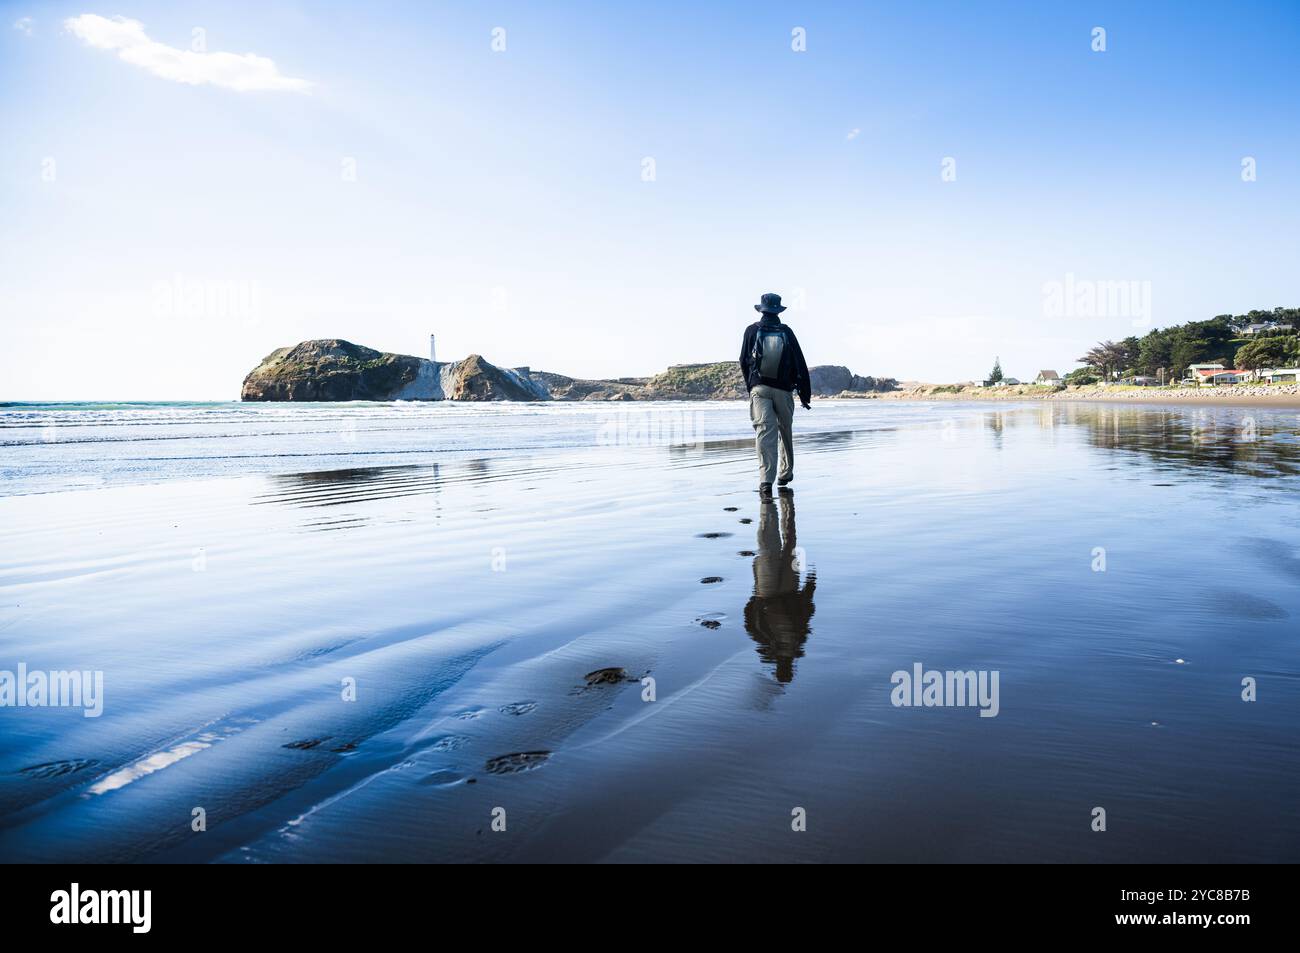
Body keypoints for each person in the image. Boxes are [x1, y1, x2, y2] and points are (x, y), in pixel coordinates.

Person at [738, 293, 812, 496]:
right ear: (779, 311)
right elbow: (800, 362)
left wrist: (751, 387)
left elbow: (744, 360)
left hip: (759, 389)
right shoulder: (786, 332)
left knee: (765, 432)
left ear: (761, 310)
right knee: (784, 431)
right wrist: (805, 394)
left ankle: (765, 482)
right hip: (783, 389)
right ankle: (785, 473)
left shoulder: (752, 330)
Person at [743, 491, 816, 683]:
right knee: (783, 544)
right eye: (787, 669)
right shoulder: (794, 644)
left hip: (771, 593)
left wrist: (755, 600)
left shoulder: (768, 649)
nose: (785, 665)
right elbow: (806, 614)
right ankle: (778, 508)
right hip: (782, 591)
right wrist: (810, 587)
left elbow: (751, 624)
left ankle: (770, 508)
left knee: (774, 547)